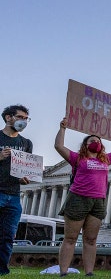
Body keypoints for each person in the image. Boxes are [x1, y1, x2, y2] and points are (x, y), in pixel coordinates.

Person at [54, 117, 111, 276]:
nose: (96, 143)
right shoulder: (78, 158)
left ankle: (89, 272)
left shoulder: (106, 160)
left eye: (99, 141)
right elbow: (59, 146)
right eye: (93, 140)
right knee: (71, 237)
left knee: (91, 239)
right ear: (85, 145)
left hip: (98, 201)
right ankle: (63, 271)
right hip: (78, 198)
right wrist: (63, 129)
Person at [0, 105, 32, 276]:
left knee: (8, 237)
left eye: (26, 119)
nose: (23, 121)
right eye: (20, 117)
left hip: (13, 195)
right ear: (8, 118)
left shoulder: (26, 143)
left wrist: (24, 178)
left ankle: (2, 270)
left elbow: (26, 169)